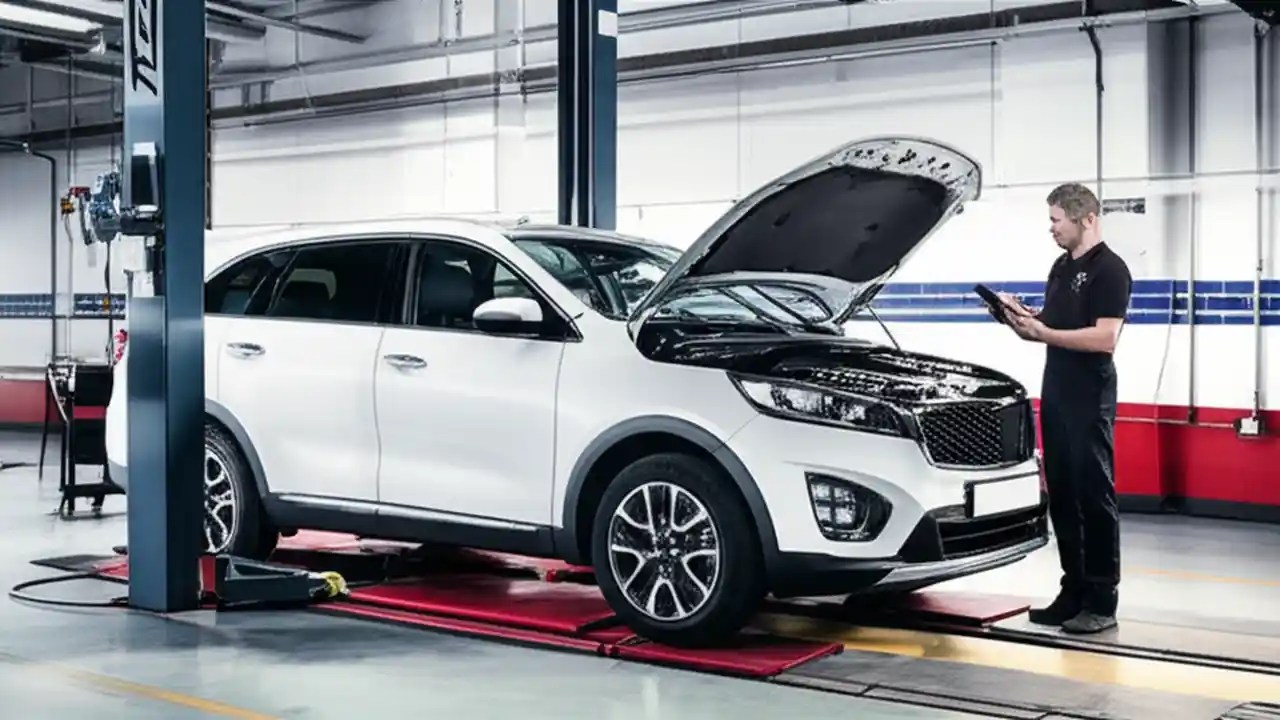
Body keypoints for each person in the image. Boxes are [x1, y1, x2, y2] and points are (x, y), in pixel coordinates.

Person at [996, 183, 1131, 635]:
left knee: (1093, 494)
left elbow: (1105, 337)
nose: (1051, 228)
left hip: (1089, 394)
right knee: (1063, 493)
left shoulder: (1110, 270)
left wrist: (1045, 334)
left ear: (1086, 219)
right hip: (1055, 389)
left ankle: (1101, 599)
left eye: (1057, 220)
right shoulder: (1060, 266)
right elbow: (1054, 324)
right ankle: (1072, 590)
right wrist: (1023, 318)